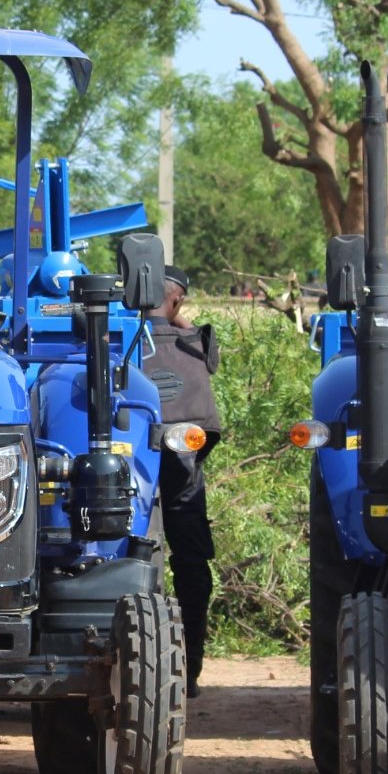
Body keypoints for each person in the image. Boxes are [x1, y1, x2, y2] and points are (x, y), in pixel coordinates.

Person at [145, 265, 221, 699]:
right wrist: (178, 315)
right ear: (177, 301)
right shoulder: (193, 342)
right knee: (192, 564)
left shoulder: (119, 339)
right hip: (184, 465)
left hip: (127, 471)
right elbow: (209, 354)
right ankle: (189, 670)